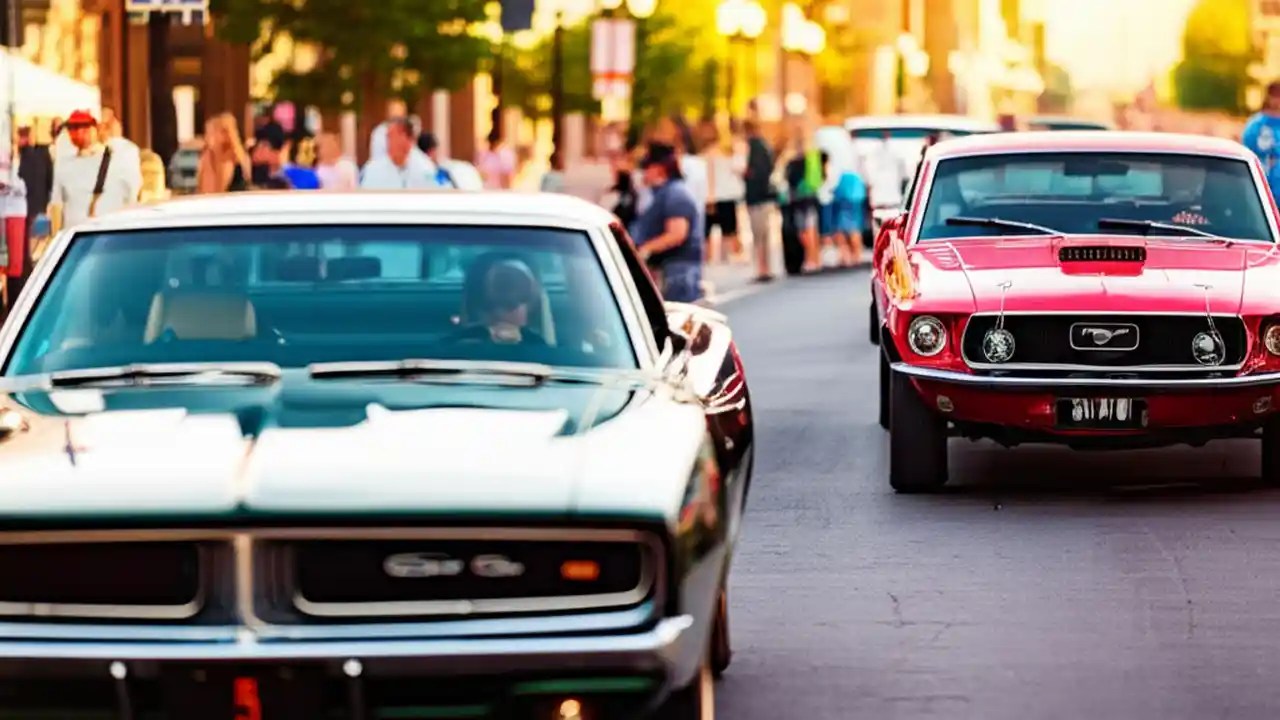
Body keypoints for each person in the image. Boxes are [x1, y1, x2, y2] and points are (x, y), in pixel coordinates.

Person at [49, 110, 143, 232]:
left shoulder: (118, 156)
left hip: (108, 230)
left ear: (96, 129)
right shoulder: (63, 162)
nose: (78, 132)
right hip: (76, 236)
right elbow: (57, 205)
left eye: (84, 127)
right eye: (73, 128)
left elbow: (132, 193)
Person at [633, 143, 705, 303]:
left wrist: (645, 249)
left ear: (659, 168)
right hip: (669, 271)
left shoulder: (676, 194)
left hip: (677, 274)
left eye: (647, 168)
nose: (644, 173)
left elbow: (677, 234)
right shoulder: (663, 193)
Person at [741, 119, 777, 281]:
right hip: (767, 195)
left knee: (758, 235)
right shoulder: (765, 146)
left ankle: (761, 269)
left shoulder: (754, 148)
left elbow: (754, 172)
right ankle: (766, 267)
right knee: (765, 235)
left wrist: (744, 174)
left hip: (756, 197)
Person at [705, 124, 746, 262]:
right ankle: (728, 255)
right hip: (726, 194)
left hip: (719, 194)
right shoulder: (730, 152)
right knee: (730, 228)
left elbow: (709, 176)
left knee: (723, 228)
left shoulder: (711, 153)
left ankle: (718, 256)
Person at [359, 118, 438, 190]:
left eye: (391, 136)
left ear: (405, 138)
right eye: (387, 137)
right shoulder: (373, 170)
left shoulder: (425, 168)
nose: (388, 141)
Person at [196, 112, 249, 194]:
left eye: (210, 133)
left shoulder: (228, 159)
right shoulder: (209, 156)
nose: (206, 138)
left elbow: (213, 193)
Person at [1244, 81, 1280, 195]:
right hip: (1261, 187)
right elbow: (1248, 152)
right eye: (1274, 96)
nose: (1277, 100)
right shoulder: (1256, 125)